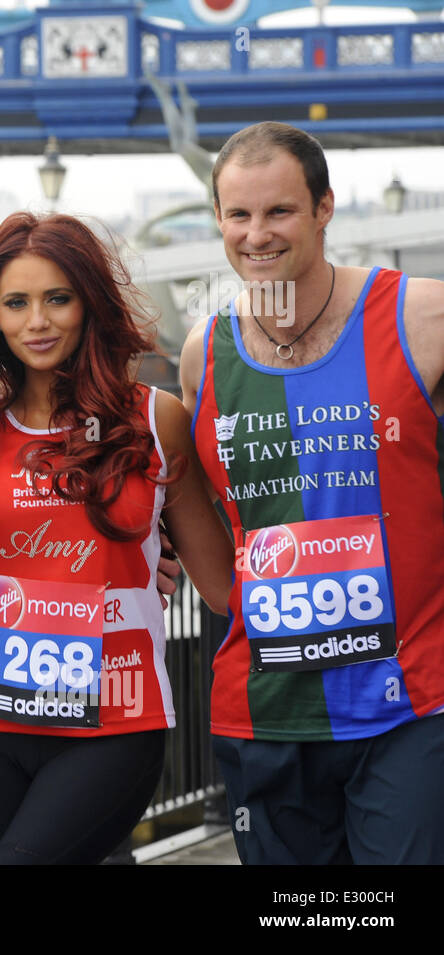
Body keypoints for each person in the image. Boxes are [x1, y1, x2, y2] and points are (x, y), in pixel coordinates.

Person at [0, 212, 232, 864]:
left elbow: (223, 586)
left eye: (57, 298)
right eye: (15, 303)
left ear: (89, 302)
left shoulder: (157, 421)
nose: (37, 322)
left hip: (113, 723)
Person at [179, 121, 444, 864]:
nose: (257, 235)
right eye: (239, 215)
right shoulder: (206, 353)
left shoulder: (420, 317)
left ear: (325, 207)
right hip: (265, 713)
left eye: (280, 211)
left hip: (409, 706)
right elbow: (196, 504)